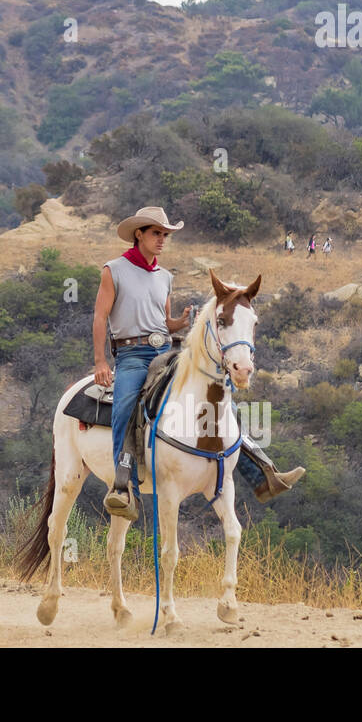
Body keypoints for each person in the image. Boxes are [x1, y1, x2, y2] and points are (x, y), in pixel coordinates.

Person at [96, 206, 305, 520]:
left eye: (165, 234)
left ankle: (263, 474)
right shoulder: (113, 270)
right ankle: (124, 489)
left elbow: (161, 322)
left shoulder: (164, 277)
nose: (162, 239)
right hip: (131, 356)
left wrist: (177, 324)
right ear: (139, 234)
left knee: (221, 401)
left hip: (166, 351)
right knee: (125, 406)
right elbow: (100, 316)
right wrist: (101, 360)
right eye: (157, 233)